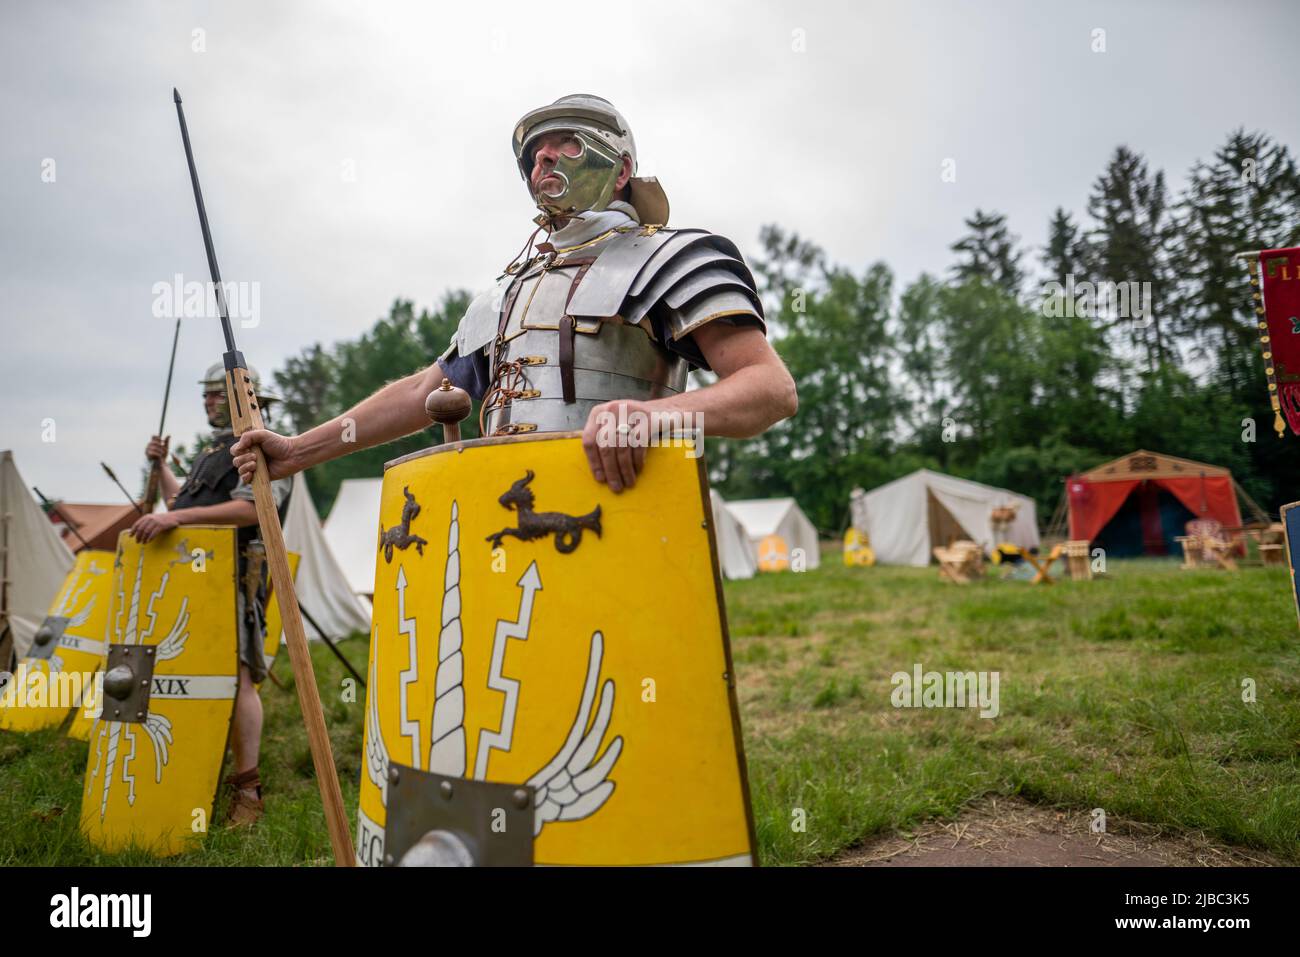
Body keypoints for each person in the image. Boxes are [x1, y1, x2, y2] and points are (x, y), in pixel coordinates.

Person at [233, 93, 796, 491]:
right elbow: (424, 394)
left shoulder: (670, 257)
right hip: (507, 514)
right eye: (535, 154)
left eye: (567, 145)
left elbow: (770, 391)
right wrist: (298, 451)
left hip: (628, 512)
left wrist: (651, 418)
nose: (542, 158)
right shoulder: (506, 294)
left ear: (621, 169)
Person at [131, 362, 291, 826]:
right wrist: (160, 468)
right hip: (195, 578)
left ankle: (249, 789)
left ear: (244, 398)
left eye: (217, 396)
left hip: (236, 575)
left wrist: (173, 519)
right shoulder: (209, 453)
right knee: (196, 673)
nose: (209, 403)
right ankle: (194, 771)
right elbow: (182, 504)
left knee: (240, 679)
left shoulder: (260, 445)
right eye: (205, 397)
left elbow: (250, 507)